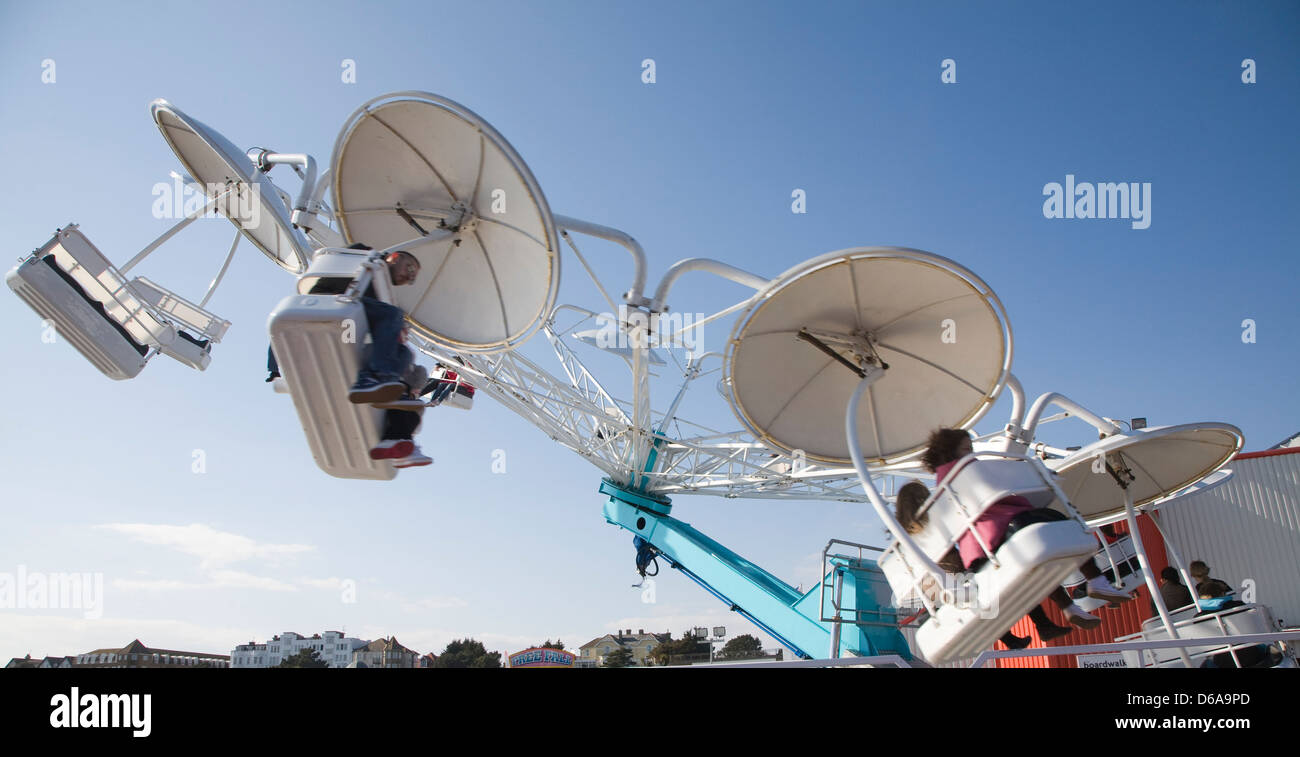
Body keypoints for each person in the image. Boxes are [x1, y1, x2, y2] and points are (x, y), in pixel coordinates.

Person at [921, 428, 1133, 627]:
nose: (971, 453)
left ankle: (1068, 607)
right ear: (951, 451)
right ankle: (1096, 580)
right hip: (995, 529)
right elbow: (994, 491)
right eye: (967, 449)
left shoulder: (944, 482)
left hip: (981, 543)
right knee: (1062, 522)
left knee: (1040, 560)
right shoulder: (964, 471)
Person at [895, 481, 1072, 648]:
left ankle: (1012, 638)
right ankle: (1043, 625)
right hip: (958, 580)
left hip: (935, 593)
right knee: (1009, 572)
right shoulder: (935, 523)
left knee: (988, 586)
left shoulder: (904, 540)